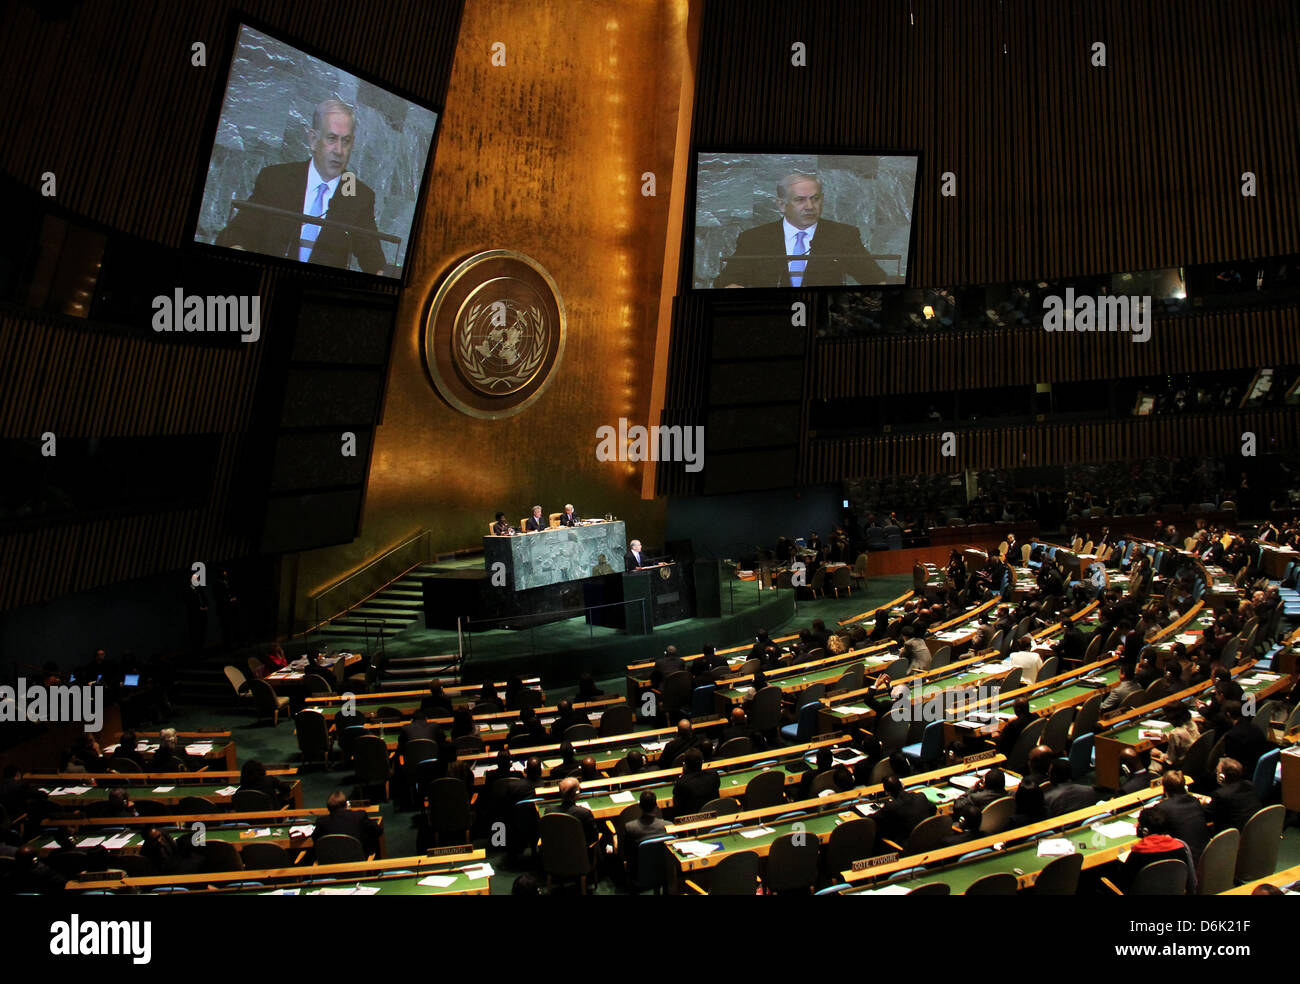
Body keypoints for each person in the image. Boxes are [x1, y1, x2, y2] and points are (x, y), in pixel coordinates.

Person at [217, 99, 385, 273]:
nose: (339, 150)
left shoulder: (358, 195)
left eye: (346, 141)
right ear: (313, 140)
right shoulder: (276, 179)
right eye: (332, 138)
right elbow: (239, 232)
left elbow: (373, 258)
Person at [714, 172, 893, 288]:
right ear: (781, 205)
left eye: (815, 199)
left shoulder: (843, 236)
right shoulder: (755, 238)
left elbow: (875, 278)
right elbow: (729, 279)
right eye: (800, 200)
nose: (810, 206)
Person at [1117, 808, 1198, 894]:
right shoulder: (1181, 847)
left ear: (1144, 831)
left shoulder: (1137, 853)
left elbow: (1124, 885)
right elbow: (1192, 883)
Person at [1145, 771, 1209, 860]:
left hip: (1186, 859)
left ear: (1165, 789)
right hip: (1207, 855)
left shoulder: (1162, 808)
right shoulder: (1195, 801)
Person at [311, 790, 381, 857]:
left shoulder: (321, 821)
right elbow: (378, 831)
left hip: (331, 861)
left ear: (328, 808)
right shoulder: (359, 816)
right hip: (357, 859)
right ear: (346, 804)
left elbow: (315, 840)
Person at [873, 774, 937, 848]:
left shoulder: (891, 806)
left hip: (909, 845)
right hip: (929, 838)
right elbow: (933, 808)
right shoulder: (921, 796)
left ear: (887, 792)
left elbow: (873, 819)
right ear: (902, 785)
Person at [1208, 758, 1262, 833]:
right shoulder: (1249, 785)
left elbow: (1207, 815)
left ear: (1222, 777)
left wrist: (1199, 802)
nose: (1216, 773)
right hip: (1254, 832)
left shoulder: (1221, 794)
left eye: (1217, 771)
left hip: (1232, 836)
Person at [621, 790, 668, 878]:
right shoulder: (668, 826)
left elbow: (625, 854)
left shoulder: (630, 828)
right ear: (656, 806)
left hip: (639, 875)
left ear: (640, 806)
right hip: (665, 873)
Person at [549, 777, 598, 846]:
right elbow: (594, 837)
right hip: (580, 851)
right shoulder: (584, 813)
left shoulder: (549, 811)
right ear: (577, 794)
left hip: (556, 850)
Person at [672, 749, 720, 816]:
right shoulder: (714, 775)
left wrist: (684, 775)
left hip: (691, 818)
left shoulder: (681, 783)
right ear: (702, 762)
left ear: (685, 765)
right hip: (713, 814)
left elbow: (677, 805)